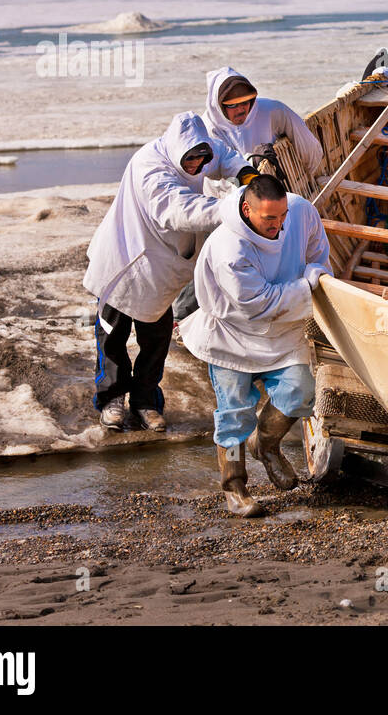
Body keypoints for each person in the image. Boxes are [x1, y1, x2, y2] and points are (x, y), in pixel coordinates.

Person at [83, 112, 256, 433]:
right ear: (178, 151)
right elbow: (180, 211)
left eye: (202, 159)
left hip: (160, 271)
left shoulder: (201, 152)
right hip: (123, 262)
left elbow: (225, 155)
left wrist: (244, 173)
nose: (196, 166)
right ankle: (111, 399)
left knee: (156, 341)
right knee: (113, 336)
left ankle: (145, 402)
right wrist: (236, 208)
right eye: (190, 160)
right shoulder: (150, 167)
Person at [178, 174, 331, 517]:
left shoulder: (301, 212)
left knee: (302, 391)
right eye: (268, 219)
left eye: (281, 217)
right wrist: (306, 288)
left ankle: (267, 444)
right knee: (233, 414)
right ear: (247, 209)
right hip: (233, 334)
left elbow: (320, 254)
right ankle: (234, 487)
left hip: (284, 331)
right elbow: (259, 303)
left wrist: (318, 272)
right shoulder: (229, 247)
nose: (278, 226)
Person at [201, 67, 325, 198]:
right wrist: (251, 161)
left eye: (245, 102)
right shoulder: (208, 129)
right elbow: (217, 178)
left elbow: (309, 147)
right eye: (232, 105)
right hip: (226, 198)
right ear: (219, 106)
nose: (241, 109)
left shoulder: (271, 110)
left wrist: (309, 178)